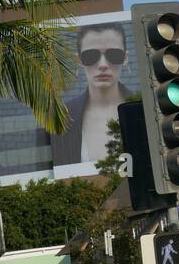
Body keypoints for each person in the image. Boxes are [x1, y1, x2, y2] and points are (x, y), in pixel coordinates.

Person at [50, 22, 135, 167]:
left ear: (125, 58)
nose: (103, 65)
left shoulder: (145, 107)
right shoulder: (60, 116)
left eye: (114, 54)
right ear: (79, 60)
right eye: (91, 56)